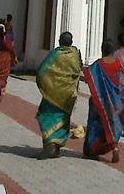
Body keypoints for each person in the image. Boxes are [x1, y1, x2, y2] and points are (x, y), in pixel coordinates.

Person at [35, 31, 83, 159]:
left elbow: (41, 72)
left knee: (45, 115)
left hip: (53, 95)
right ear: (71, 42)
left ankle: (50, 143)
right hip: (68, 95)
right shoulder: (75, 54)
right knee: (63, 119)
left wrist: (48, 86)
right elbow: (78, 70)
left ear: (59, 41)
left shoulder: (55, 54)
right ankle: (56, 148)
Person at [83, 39, 124, 162]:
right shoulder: (119, 64)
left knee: (96, 125)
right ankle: (114, 147)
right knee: (113, 124)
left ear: (102, 50)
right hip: (116, 101)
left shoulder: (98, 65)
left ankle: (92, 150)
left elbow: (89, 77)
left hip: (100, 102)